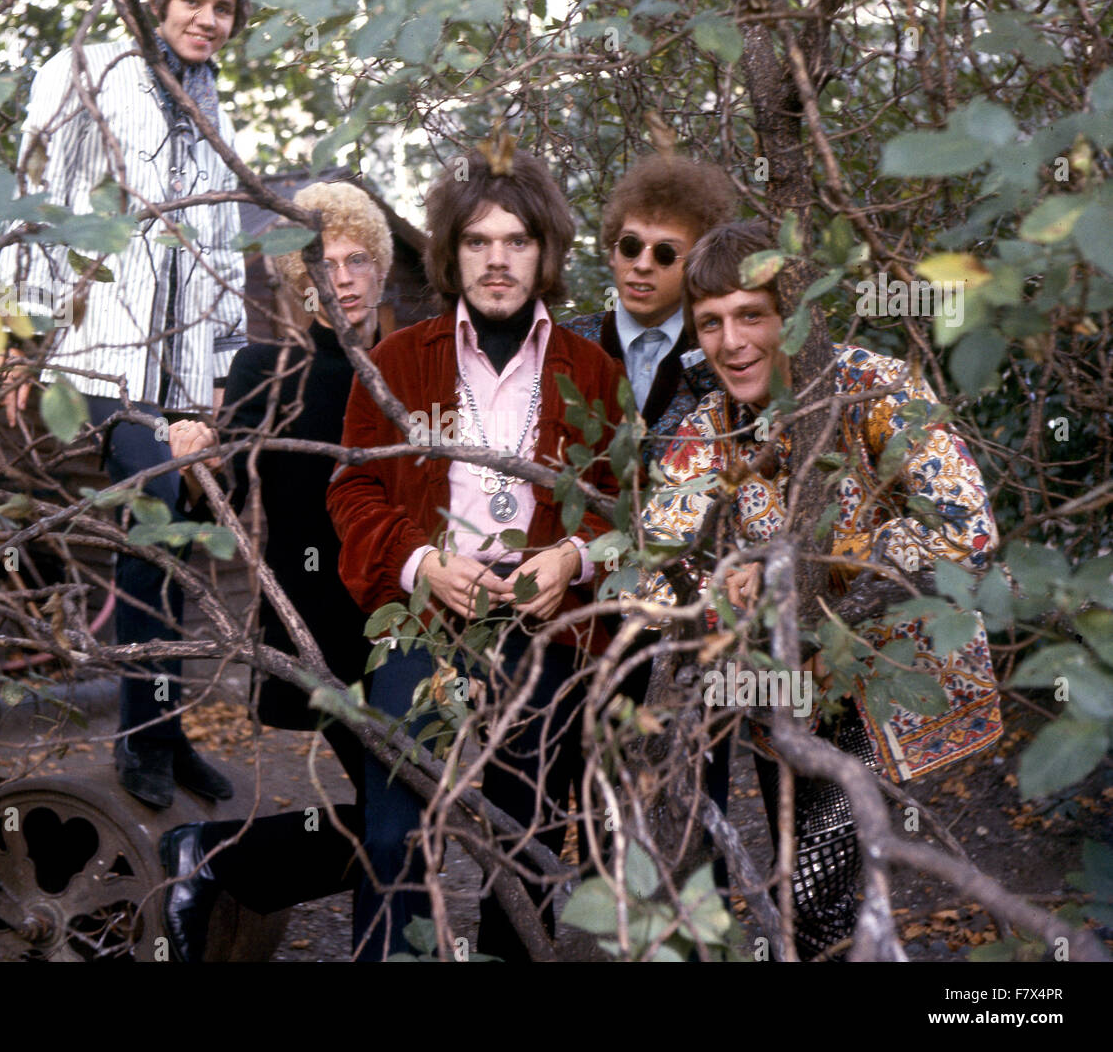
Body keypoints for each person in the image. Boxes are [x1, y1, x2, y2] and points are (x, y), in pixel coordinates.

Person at [632, 221, 1003, 958]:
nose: (732, 341)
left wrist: (824, 574)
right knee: (808, 888)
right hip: (782, 700)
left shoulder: (875, 386)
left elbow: (970, 529)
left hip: (889, 680)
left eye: (752, 315)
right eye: (711, 322)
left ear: (792, 316)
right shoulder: (707, 429)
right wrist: (721, 586)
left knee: (820, 891)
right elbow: (653, 568)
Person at [326, 147, 627, 961]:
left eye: (519, 240)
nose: (498, 258)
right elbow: (352, 492)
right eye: (479, 241)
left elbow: (621, 505)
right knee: (393, 838)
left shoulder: (593, 369)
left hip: (544, 625)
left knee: (524, 851)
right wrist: (422, 563)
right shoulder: (395, 360)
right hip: (424, 619)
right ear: (451, 254)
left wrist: (568, 558)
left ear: (547, 253)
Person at [0, 0, 253, 808]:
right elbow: (34, 196)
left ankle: (168, 729)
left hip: (180, 375)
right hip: (96, 349)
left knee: (174, 545)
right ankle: (142, 741)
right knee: (153, 525)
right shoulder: (91, 73)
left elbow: (222, 243)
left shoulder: (215, 99)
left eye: (223, 9)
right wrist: (17, 334)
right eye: (194, 1)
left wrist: (216, 382)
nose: (208, 20)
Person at [156, 180, 391, 961]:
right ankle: (214, 857)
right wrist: (191, 459)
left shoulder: (413, 371)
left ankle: (212, 856)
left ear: (383, 270)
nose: (344, 278)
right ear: (300, 281)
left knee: (410, 815)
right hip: (319, 636)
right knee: (407, 814)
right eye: (323, 265)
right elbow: (205, 506)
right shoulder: (264, 371)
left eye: (359, 259)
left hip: (408, 633)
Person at [562, 153, 735, 466]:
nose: (642, 265)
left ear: (698, 264)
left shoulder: (723, 354)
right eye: (630, 246)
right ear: (612, 253)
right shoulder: (564, 346)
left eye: (665, 254)